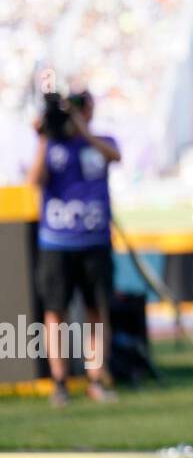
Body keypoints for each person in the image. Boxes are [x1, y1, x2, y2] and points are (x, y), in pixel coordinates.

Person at [27, 90, 119, 407]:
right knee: (56, 312)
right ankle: (60, 381)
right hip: (57, 242)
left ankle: (96, 378)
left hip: (95, 241)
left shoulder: (100, 140)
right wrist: (43, 136)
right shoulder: (51, 145)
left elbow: (114, 157)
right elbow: (33, 181)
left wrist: (83, 131)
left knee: (97, 310)